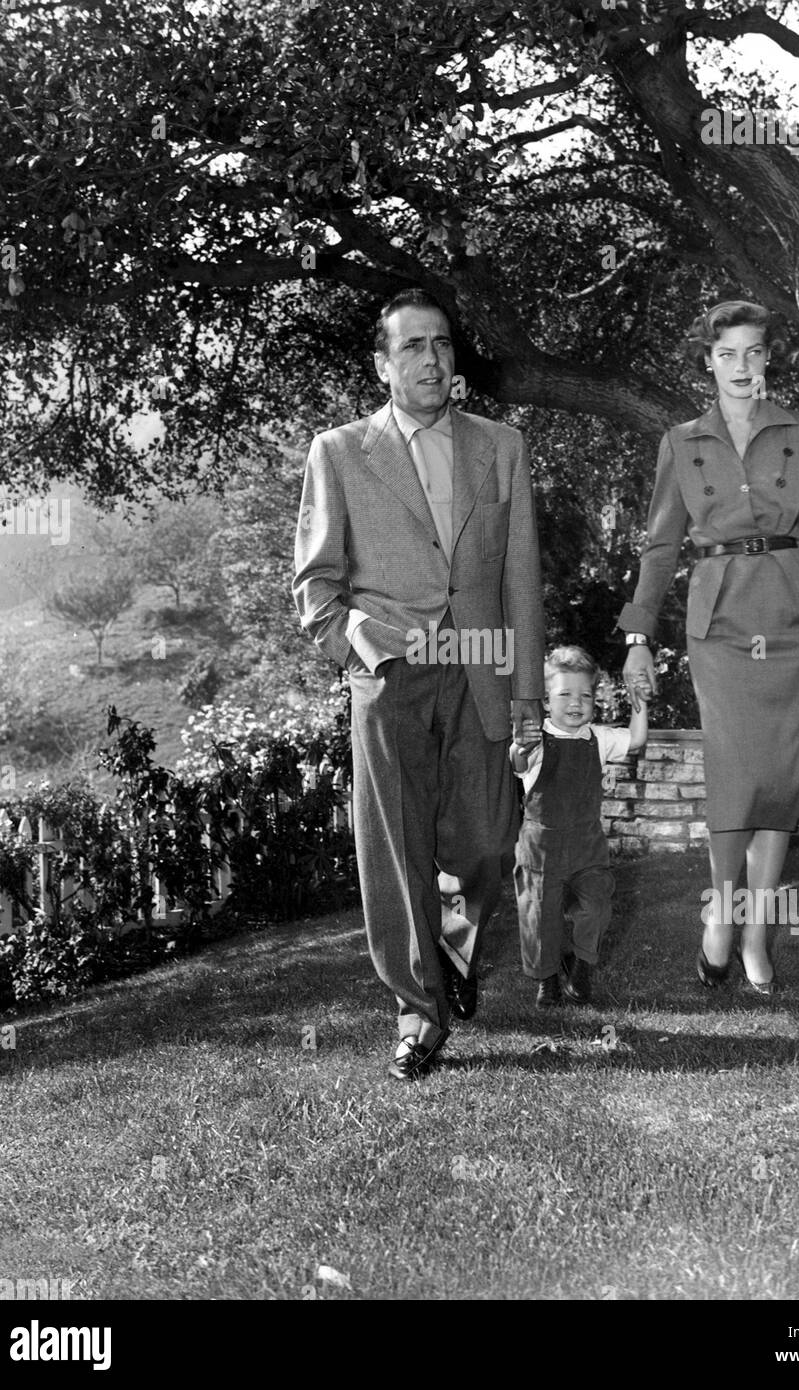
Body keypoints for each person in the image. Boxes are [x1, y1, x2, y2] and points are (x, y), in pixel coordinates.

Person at [293, 288, 545, 1080]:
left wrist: (530, 697)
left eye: (441, 344)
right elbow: (315, 584)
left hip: (483, 667)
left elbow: (522, 582)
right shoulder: (337, 452)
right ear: (382, 364)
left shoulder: (501, 446)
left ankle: (460, 948)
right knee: (396, 851)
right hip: (390, 677)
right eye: (412, 347)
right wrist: (362, 644)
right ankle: (418, 1011)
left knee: (484, 838)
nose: (431, 360)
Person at [618, 300, 799, 994]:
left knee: (782, 782)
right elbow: (660, 543)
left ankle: (758, 934)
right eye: (727, 353)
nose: (742, 366)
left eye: (754, 352)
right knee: (737, 777)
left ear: (769, 358)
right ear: (708, 360)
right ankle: (720, 918)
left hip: (797, 624)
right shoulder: (680, 442)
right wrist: (638, 636)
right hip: (722, 627)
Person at [511, 645, 649, 1009]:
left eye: (585, 694)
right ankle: (547, 980)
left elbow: (635, 740)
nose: (576, 702)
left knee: (597, 908)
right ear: (545, 700)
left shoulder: (598, 737)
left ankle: (582, 965)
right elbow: (519, 761)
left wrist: (640, 703)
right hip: (542, 849)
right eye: (565, 694)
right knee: (540, 917)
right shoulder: (536, 738)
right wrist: (520, 747)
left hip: (588, 848)